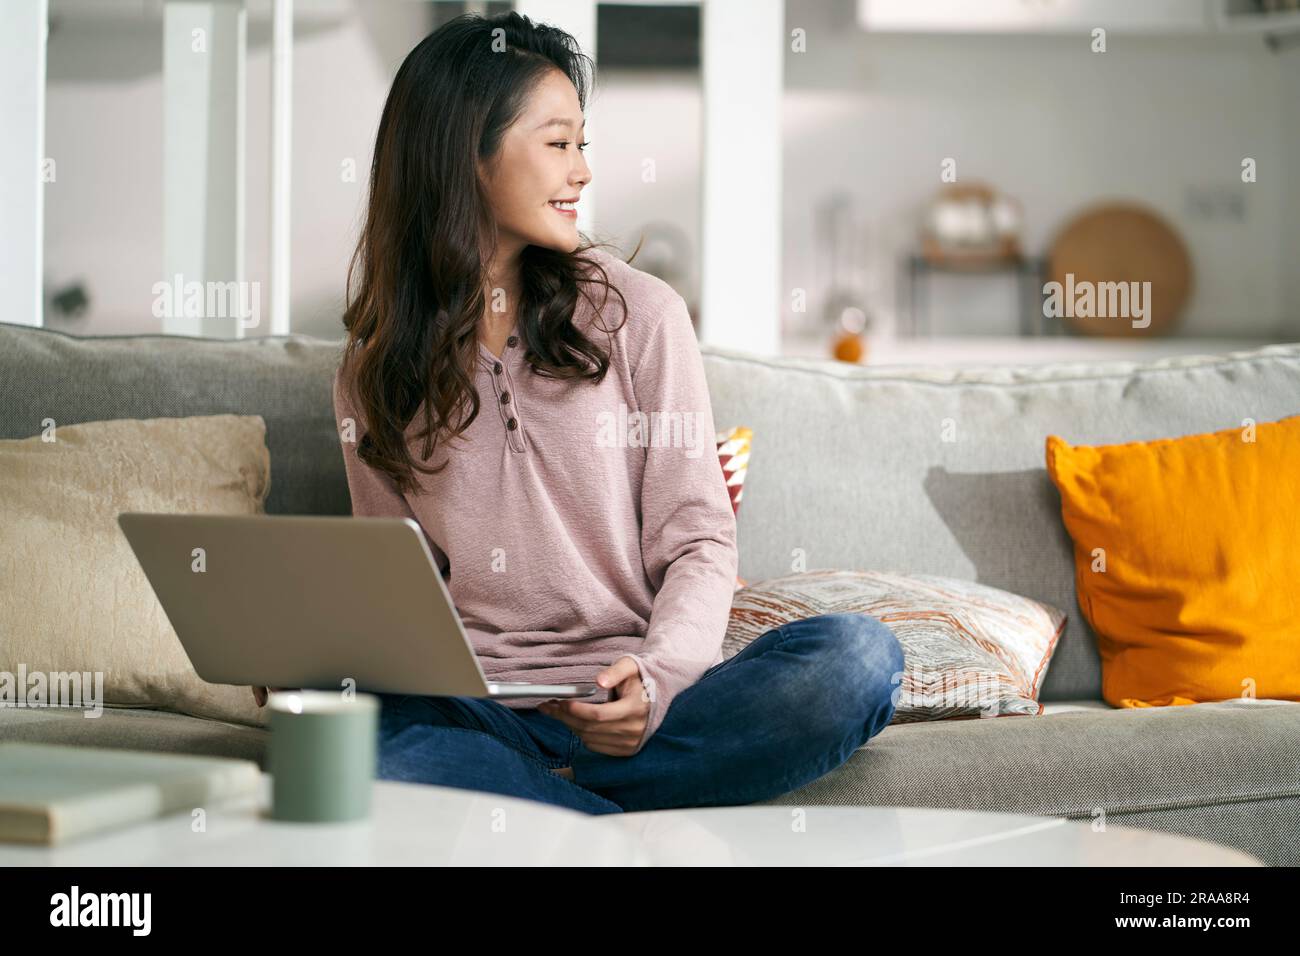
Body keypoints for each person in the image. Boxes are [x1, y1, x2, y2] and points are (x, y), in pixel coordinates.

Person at [257, 11, 903, 815]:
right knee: (331, 731)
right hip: (475, 709)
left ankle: (530, 813)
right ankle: (593, 818)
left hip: (639, 708)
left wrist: (657, 681)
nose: (584, 173)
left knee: (857, 658)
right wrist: (318, 655)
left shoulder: (640, 316)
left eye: (582, 145)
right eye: (558, 144)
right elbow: (396, 580)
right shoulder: (374, 368)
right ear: (467, 153)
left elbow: (700, 542)